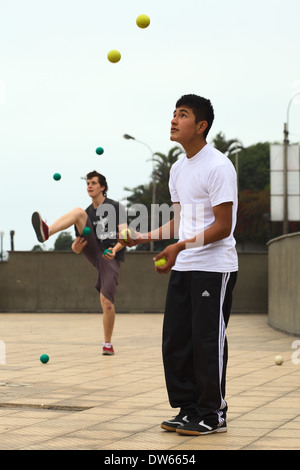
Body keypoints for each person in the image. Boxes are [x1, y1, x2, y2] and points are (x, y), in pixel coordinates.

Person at [119, 94, 238, 435]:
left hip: (215, 268)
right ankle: (189, 409)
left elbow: (223, 226)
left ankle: (213, 412)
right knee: (176, 340)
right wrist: (144, 238)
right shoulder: (177, 168)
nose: (173, 120)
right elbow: (180, 221)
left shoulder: (217, 166)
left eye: (182, 115)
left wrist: (179, 247)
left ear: (201, 126)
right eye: (173, 114)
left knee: (206, 341)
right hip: (185, 266)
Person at [31, 170, 127, 356]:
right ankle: (47, 232)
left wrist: (114, 250)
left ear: (103, 187)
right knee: (77, 212)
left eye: (93, 183)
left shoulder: (115, 207)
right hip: (93, 251)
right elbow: (78, 247)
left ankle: (107, 343)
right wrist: (75, 247)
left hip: (111, 255)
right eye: (87, 183)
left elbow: (125, 237)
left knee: (107, 303)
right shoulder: (87, 213)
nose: (89, 186)